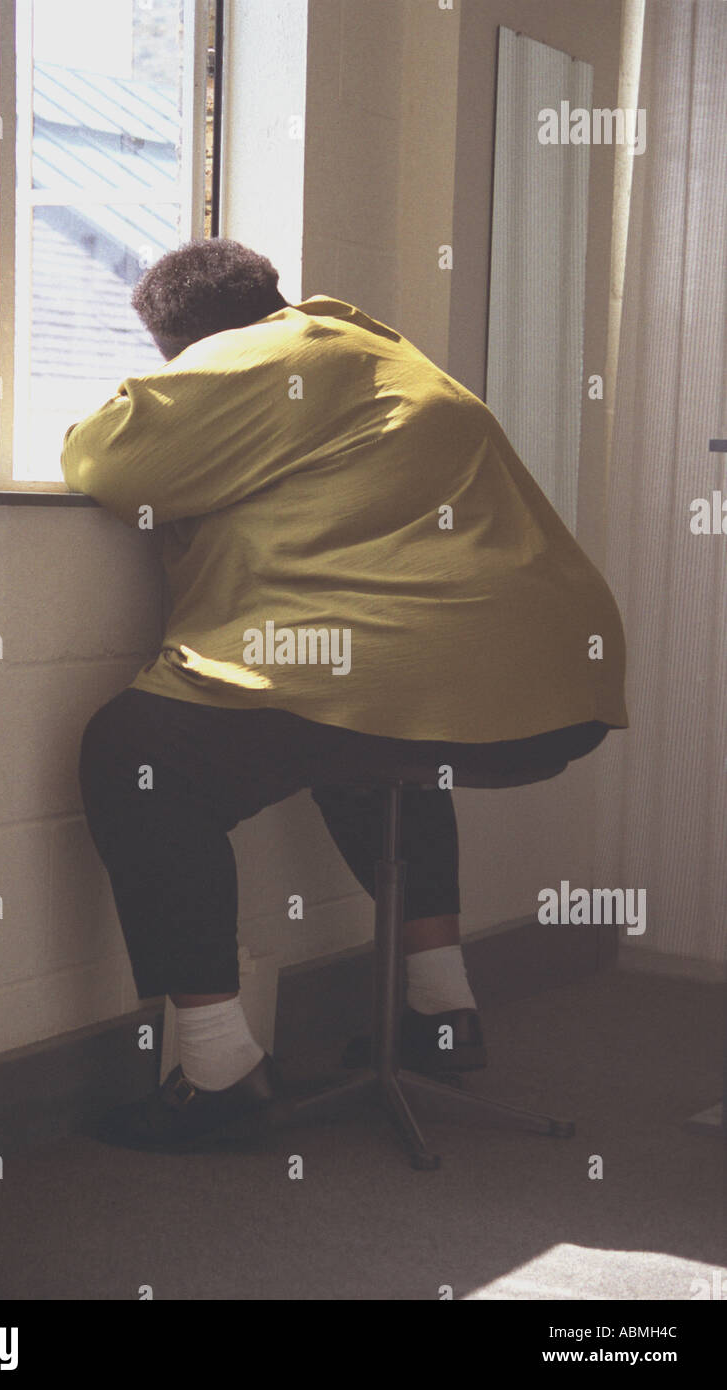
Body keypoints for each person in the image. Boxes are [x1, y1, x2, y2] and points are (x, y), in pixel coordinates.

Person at [61, 237, 628, 1151]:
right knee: (376, 727)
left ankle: (218, 1070)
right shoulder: (377, 353)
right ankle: (443, 1012)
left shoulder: (250, 356)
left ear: (186, 344)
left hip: (404, 670)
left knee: (134, 752)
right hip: (546, 687)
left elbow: (108, 466)